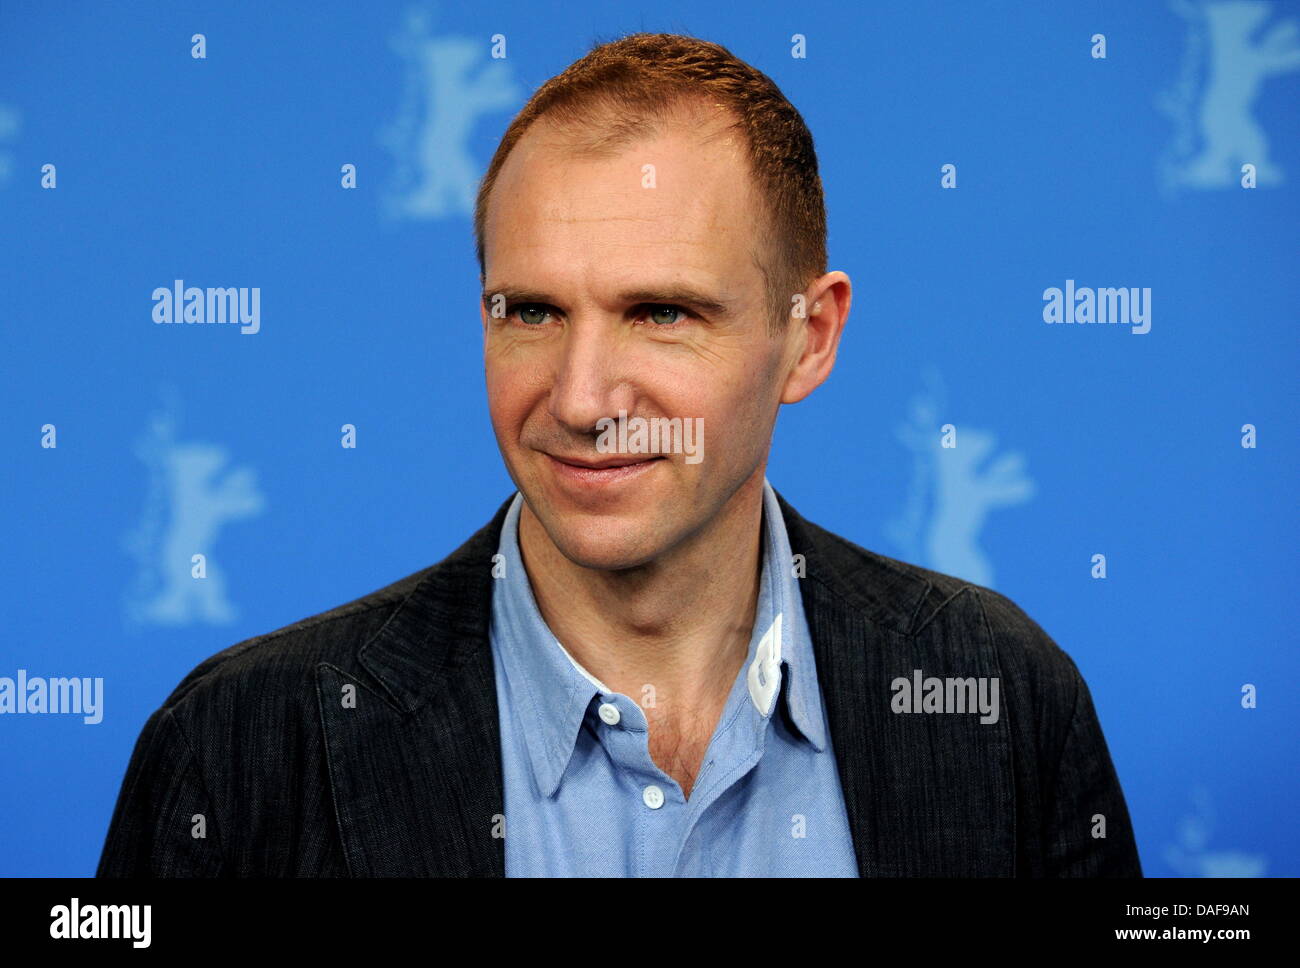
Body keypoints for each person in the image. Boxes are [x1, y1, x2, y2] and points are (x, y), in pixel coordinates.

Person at [97, 32, 1141, 877]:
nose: (583, 397)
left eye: (659, 312)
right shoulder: (240, 745)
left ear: (808, 337)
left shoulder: (998, 693)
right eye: (534, 312)